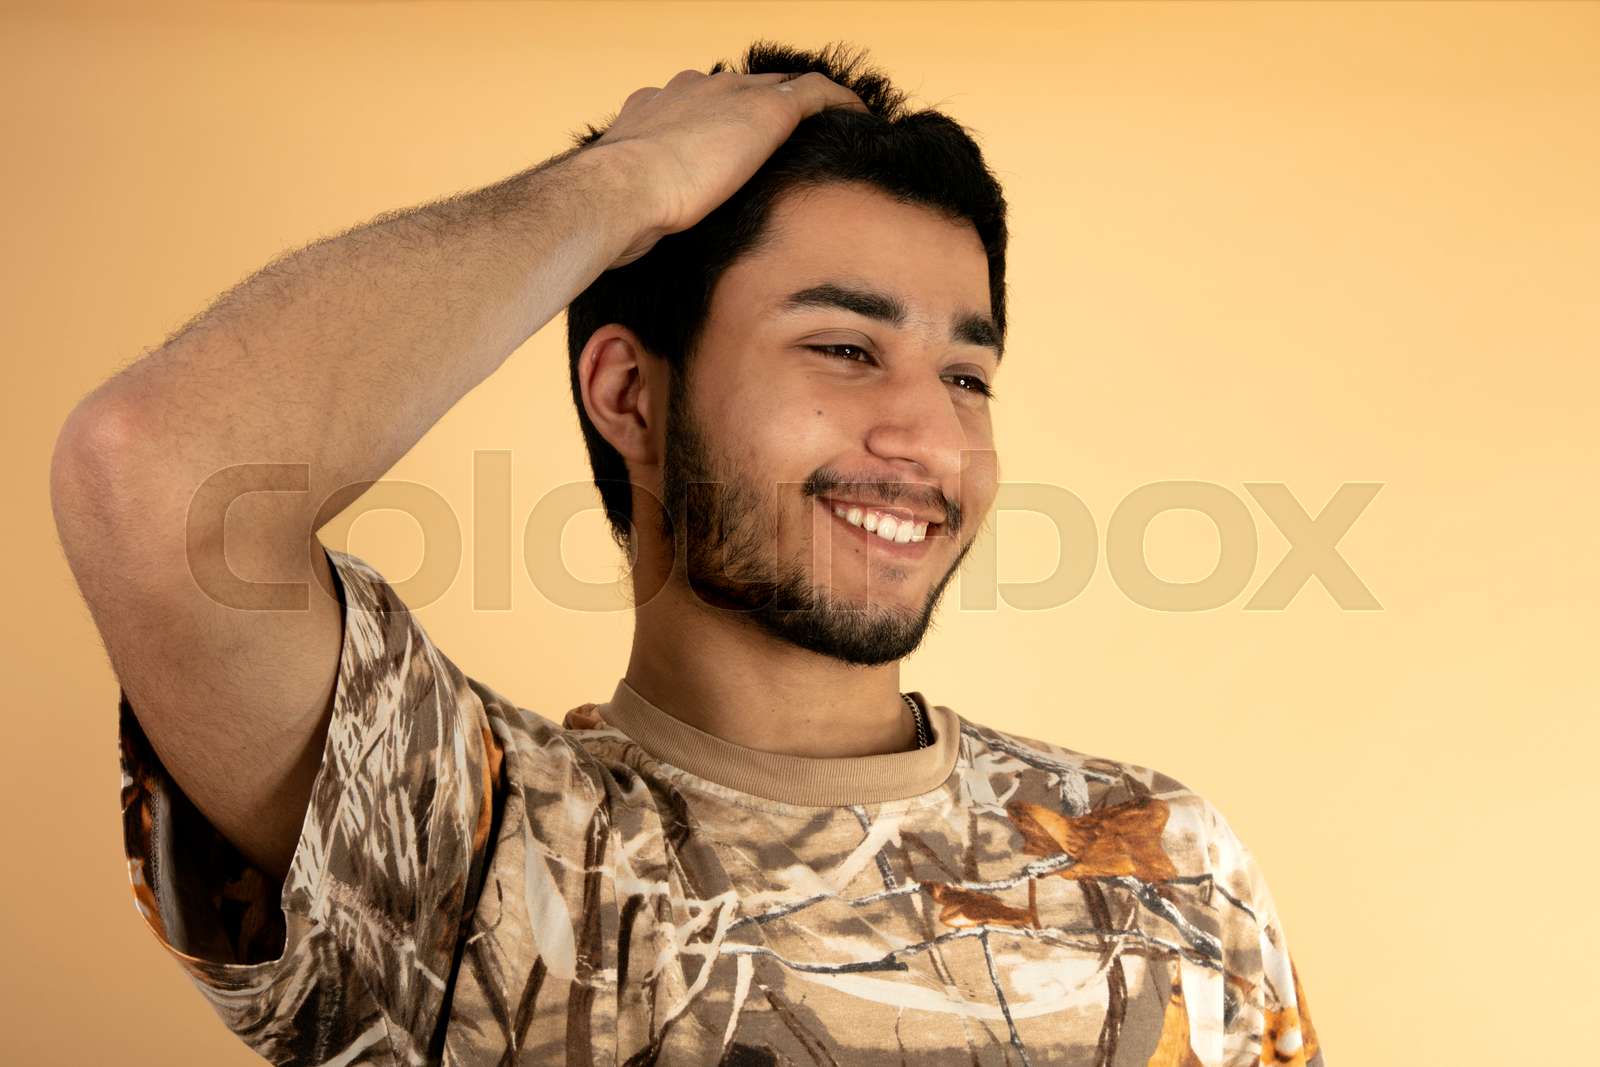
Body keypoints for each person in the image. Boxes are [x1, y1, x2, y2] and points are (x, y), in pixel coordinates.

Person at [50, 39, 1324, 1066]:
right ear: (631, 397)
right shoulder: (473, 853)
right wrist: (624, 188)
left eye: (968, 373)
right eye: (842, 347)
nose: (928, 433)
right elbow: (152, 474)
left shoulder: (1160, 865)